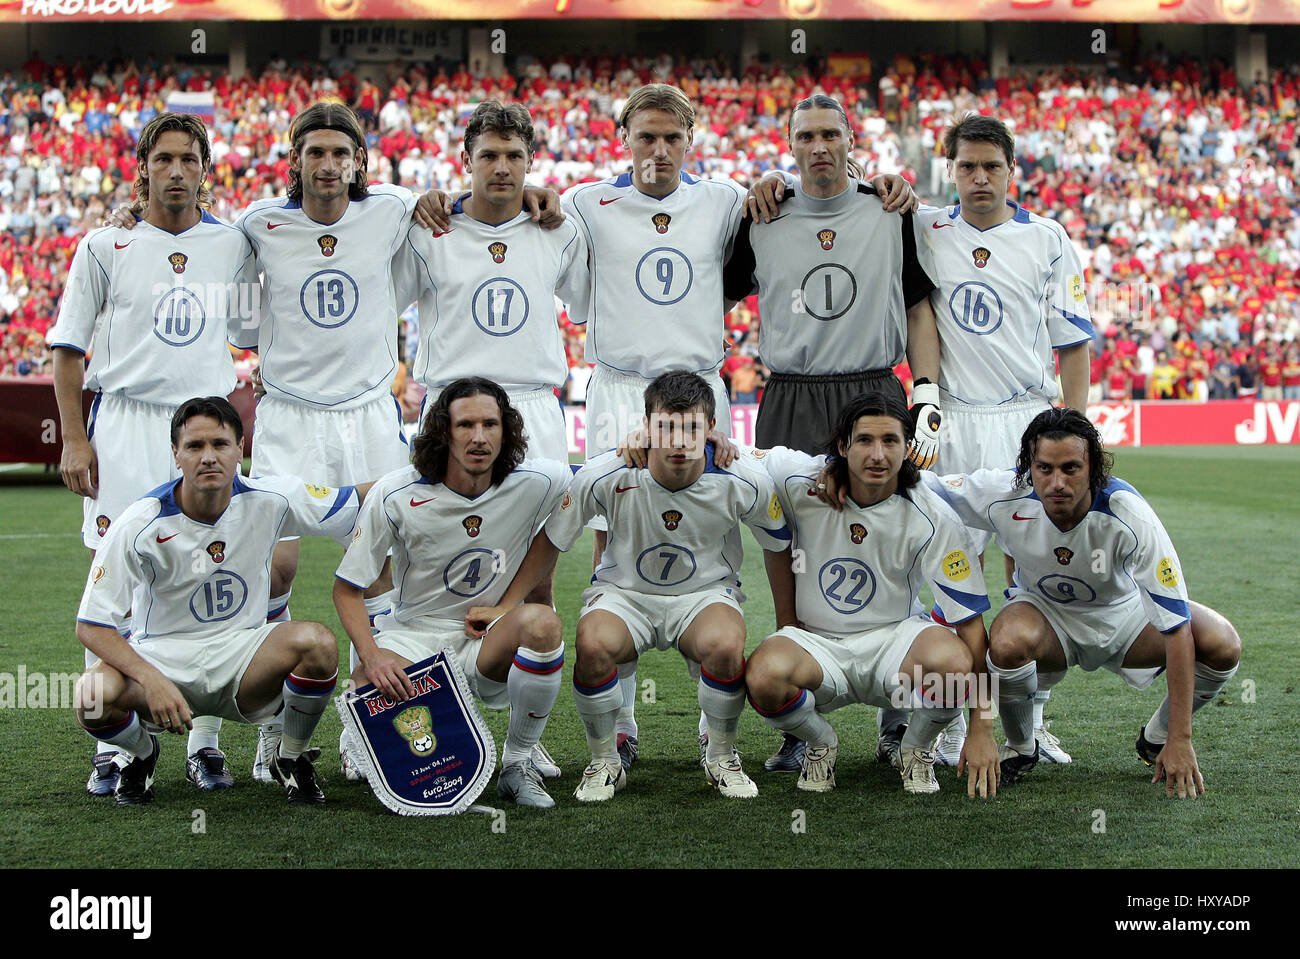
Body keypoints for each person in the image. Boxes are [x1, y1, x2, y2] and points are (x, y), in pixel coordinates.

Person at [723, 94, 942, 775]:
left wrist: (928, 393)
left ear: (852, 140)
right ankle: (799, 702)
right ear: (788, 144)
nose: (819, 146)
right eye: (806, 135)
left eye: (831, 134)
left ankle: (899, 708)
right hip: (791, 391)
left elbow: (916, 301)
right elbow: (717, 292)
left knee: (898, 533)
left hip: (873, 387)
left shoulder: (889, 209)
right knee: (790, 542)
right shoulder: (760, 214)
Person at [48, 112, 258, 794]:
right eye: (162, 159)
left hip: (201, 431)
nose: (175, 171)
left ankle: (205, 738)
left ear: (205, 170)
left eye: (187, 160)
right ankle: (124, 748)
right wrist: (75, 437)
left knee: (206, 576)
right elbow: (67, 350)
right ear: (142, 168)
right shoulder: (103, 245)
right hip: (126, 425)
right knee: (115, 582)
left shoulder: (232, 244)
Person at [471, 371, 793, 802]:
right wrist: (507, 604)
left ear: (712, 429)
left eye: (693, 429)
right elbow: (552, 539)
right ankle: (606, 760)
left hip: (703, 595)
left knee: (724, 643)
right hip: (625, 595)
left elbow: (778, 545)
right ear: (646, 425)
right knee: (594, 643)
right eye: (667, 428)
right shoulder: (606, 472)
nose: (679, 442)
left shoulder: (743, 477)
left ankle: (720, 756)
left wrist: (789, 626)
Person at [926, 408, 1241, 797]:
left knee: (1221, 643)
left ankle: (1157, 739)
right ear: (1029, 466)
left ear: (1094, 468)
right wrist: (833, 470)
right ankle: (1022, 747)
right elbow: (923, 486)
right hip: (1046, 618)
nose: (1057, 482)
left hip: (1126, 619)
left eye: (1071, 468)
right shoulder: (1004, 493)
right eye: (1044, 468)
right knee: (1007, 641)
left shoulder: (1129, 514)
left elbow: (1175, 626)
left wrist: (1181, 736)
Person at [72, 396, 364, 806]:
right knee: (90, 695)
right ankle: (141, 755)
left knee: (318, 644)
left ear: (240, 448)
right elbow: (92, 625)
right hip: (163, 660)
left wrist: (439, 476)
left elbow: (355, 499)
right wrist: (152, 680)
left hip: (243, 661)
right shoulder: (140, 522)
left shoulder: (272, 498)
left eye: (220, 444)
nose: (208, 457)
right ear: (176, 455)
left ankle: (290, 757)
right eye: (194, 446)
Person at [912, 112, 1094, 767]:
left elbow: (1071, 342)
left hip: (1028, 424)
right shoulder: (928, 227)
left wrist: (1077, 433)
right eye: (967, 166)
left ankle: (1027, 727)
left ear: (1012, 171)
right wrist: (926, 396)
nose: (980, 177)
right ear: (950, 170)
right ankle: (947, 727)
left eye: (992, 166)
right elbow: (918, 313)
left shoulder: (1047, 238)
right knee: (947, 581)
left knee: (1033, 583)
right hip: (953, 423)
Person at [746, 392, 999, 797]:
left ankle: (915, 748)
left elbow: (970, 626)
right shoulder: (799, 479)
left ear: (908, 448)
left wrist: (983, 727)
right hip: (817, 644)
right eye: (864, 440)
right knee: (762, 676)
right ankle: (819, 742)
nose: (877, 454)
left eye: (890, 441)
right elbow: (732, 456)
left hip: (894, 643)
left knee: (954, 662)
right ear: (842, 446)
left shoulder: (932, 515)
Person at [334, 378, 571, 808]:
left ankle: (517, 764)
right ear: (444, 430)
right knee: (368, 690)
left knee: (542, 624)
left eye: (490, 424)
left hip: (485, 641)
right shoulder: (396, 492)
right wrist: (372, 655)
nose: (479, 437)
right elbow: (348, 589)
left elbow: (558, 530)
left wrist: (506, 605)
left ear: (507, 430)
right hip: (413, 637)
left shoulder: (540, 480)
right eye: (465, 425)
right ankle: (356, 737)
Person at [393, 100, 587, 473]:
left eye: (514, 156)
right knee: (444, 529)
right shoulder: (427, 232)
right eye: (488, 156)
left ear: (530, 160)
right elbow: (381, 310)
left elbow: (585, 307)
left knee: (544, 531)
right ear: (466, 161)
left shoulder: (559, 232)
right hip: (451, 409)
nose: (502, 168)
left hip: (534, 408)